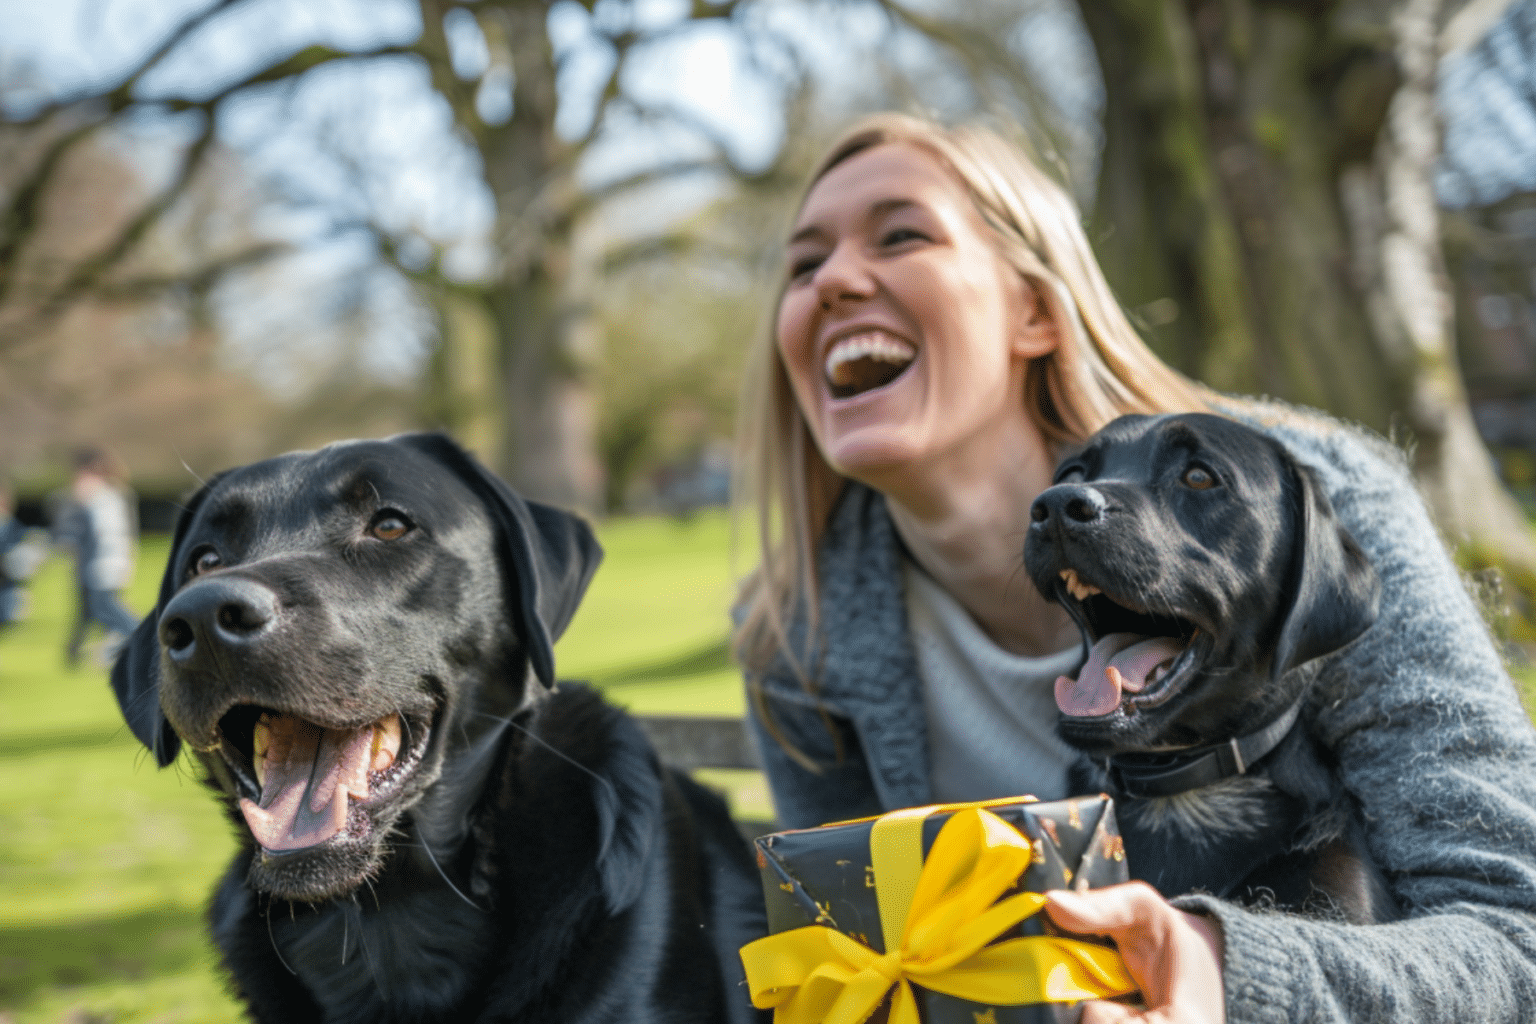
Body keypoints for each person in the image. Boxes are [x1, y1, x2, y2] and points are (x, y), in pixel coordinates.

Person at [732, 113, 1536, 1023]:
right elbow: (851, 969)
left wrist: (1220, 968)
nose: (833, 280)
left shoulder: (1307, 512)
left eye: (901, 234)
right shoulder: (799, 636)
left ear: (1035, 308)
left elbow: (1517, 935)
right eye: (803, 265)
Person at [58, 447, 139, 667]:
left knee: (105, 609)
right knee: (96, 608)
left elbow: (97, 534)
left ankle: (142, 635)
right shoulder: (113, 495)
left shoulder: (102, 497)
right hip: (109, 560)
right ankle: (77, 654)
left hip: (103, 562)